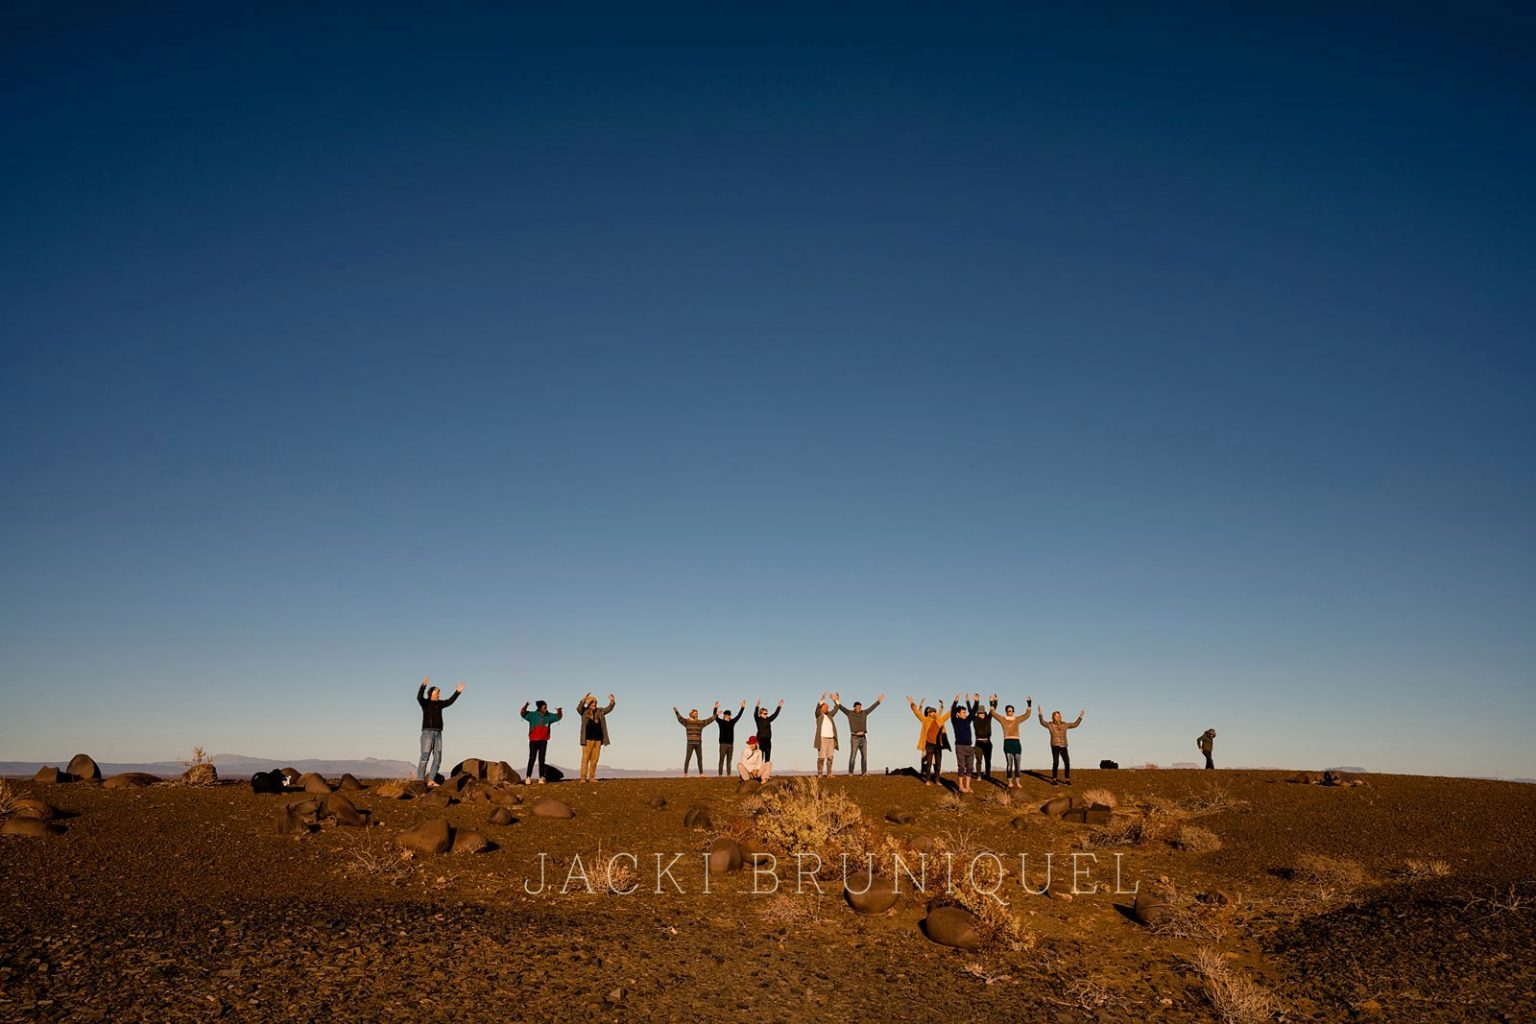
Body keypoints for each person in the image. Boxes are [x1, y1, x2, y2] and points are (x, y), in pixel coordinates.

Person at [415, 676, 464, 784]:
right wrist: (423, 685)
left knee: (438, 758)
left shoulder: (439, 704)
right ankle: (419, 781)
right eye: (438, 692)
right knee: (425, 756)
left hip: (438, 733)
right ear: (432, 693)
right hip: (427, 732)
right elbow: (419, 697)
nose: (439, 694)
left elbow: (450, 701)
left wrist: (457, 692)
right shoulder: (425, 703)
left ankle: (431, 780)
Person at [834, 692, 884, 775]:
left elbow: (871, 708)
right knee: (853, 756)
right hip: (855, 738)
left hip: (863, 738)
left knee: (864, 756)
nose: (858, 708)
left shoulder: (864, 713)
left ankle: (864, 772)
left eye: (860, 707)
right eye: (857, 706)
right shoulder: (850, 713)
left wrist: (878, 701)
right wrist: (836, 700)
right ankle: (850, 772)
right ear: (854, 707)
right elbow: (841, 707)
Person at [907, 697, 951, 785]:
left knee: (938, 763)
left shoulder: (939, 720)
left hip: (938, 745)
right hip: (928, 745)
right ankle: (927, 780)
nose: (933, 713)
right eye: (931, 712)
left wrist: (953, 707)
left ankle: (937, 780)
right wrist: (912, 703)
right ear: (929, 714)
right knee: (929, 763)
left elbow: (946, 715)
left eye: (934, 712)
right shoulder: (925, 720)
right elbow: (917, 712)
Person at [520, 699, 563, 784]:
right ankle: (528, 777)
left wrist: (559, 711)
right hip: (533, 740)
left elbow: (558, 717)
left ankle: (541, 777)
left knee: (541, 759)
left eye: (546, 707)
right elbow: (523, 714)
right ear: (539, 708)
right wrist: (525, 706)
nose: (545, 709)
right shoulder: (532, 715)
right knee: (532, 758)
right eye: (544, 708)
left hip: (543, 740)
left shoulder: (549, 716)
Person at [576, 693, 616, 783]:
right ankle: (583, 778)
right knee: (585, 758)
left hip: (598, 739)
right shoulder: (584, 712)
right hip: (587, 739)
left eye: (595, 703)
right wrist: (583, 700)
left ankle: (592, 777)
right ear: (589, 704)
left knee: (595, 759)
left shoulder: (600, 711)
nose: (594, 704)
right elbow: (578, 708)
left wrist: (612, 702)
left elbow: (608, 709)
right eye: (592, 703)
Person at [992, 698, 1033, 788]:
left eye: (1012, 710)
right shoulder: (1003, 719)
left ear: (1013, 711)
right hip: (1007, 742)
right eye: (1008, 710)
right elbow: (993, 714)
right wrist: (993, 702)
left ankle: (1017, 781)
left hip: (1016, 742)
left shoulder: (1017, 719)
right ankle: (1010, 781)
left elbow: (1027, 715)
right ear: (1006, 711)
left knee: (1018, 763)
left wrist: (1029, 704)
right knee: (1009, 763)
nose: (1010, 712)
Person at [1039, 707, 1084, 785]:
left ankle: (1067, 779)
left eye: (1058, 716)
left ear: (1060, 717)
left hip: (1064, 745)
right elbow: (1042, 722)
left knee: (1067, 762)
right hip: (1055, 745)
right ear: (1053, 717)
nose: (1057, 717)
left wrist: (1080, 717)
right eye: (1056, 716)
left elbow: (1074, 724)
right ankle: (1054, 779)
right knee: (1056, 762)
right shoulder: (1050, 725)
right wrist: (1040, 713)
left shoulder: (1065, 725)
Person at [674, 703, 718, 776]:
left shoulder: (700, 723)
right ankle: (685, 774)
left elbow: (709, 720)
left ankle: (701, 774)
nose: (696, 715)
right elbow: (680, 719)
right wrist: (676, 712)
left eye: (697, 714)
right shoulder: (687, 722)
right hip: (690, 743)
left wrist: (716, 715)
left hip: (698, 743)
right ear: (691, 714)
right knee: (688, 758)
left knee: (700, 759)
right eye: (695, 714)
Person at [949, 695, 976, 793]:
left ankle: (968, 786)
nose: (965, 714)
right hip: (960, 747)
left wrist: (976, 702)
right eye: (963, 712)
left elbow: (973, 713)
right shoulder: (955, 721)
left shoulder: (967, 720)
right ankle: (961, 786)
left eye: (965, 712)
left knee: (970, 767)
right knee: (961, 767)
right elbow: (952, 711)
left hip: (969, 747)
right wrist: (956, 700)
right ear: (958, 714)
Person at [968, 693, 998, 778]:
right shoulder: (975, 719)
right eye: (979, 713)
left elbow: (993, 710)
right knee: (978, 760)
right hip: (978, 743)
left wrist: (994, 701)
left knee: (988, 760)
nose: (981, 714)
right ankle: (979, 775)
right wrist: (976, 701)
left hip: (987, 743)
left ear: (985, 713)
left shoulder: (988, 718)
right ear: (977, 713)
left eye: (983, 713)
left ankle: (988, 775)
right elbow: (971, 711)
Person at [715, 701, 747, 776]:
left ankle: (729, 775)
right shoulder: (721, 722)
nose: (728, 716)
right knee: (721, 760)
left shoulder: (732, 722)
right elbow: (715, 717)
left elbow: (738, 716)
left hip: (730, 744)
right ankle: (720, 775)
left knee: (729, 761)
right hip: (723, 744)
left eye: (729, 715)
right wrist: (715, 708)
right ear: (724, 715)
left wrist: (742, 708)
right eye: (727, 715)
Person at [813, 693, 839, 779]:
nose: (828, 708)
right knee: (821, 757)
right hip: (822, 738)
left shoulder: (830, 715)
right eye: (826, 707)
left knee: (830, 757)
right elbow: (817, 709)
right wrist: (822, 699)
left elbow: (836, 709)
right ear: (822, 708)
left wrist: (836, 701)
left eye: (828, 707)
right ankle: (820, 774)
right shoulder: (819, 715)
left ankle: (829, 773)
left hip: (831, 738)